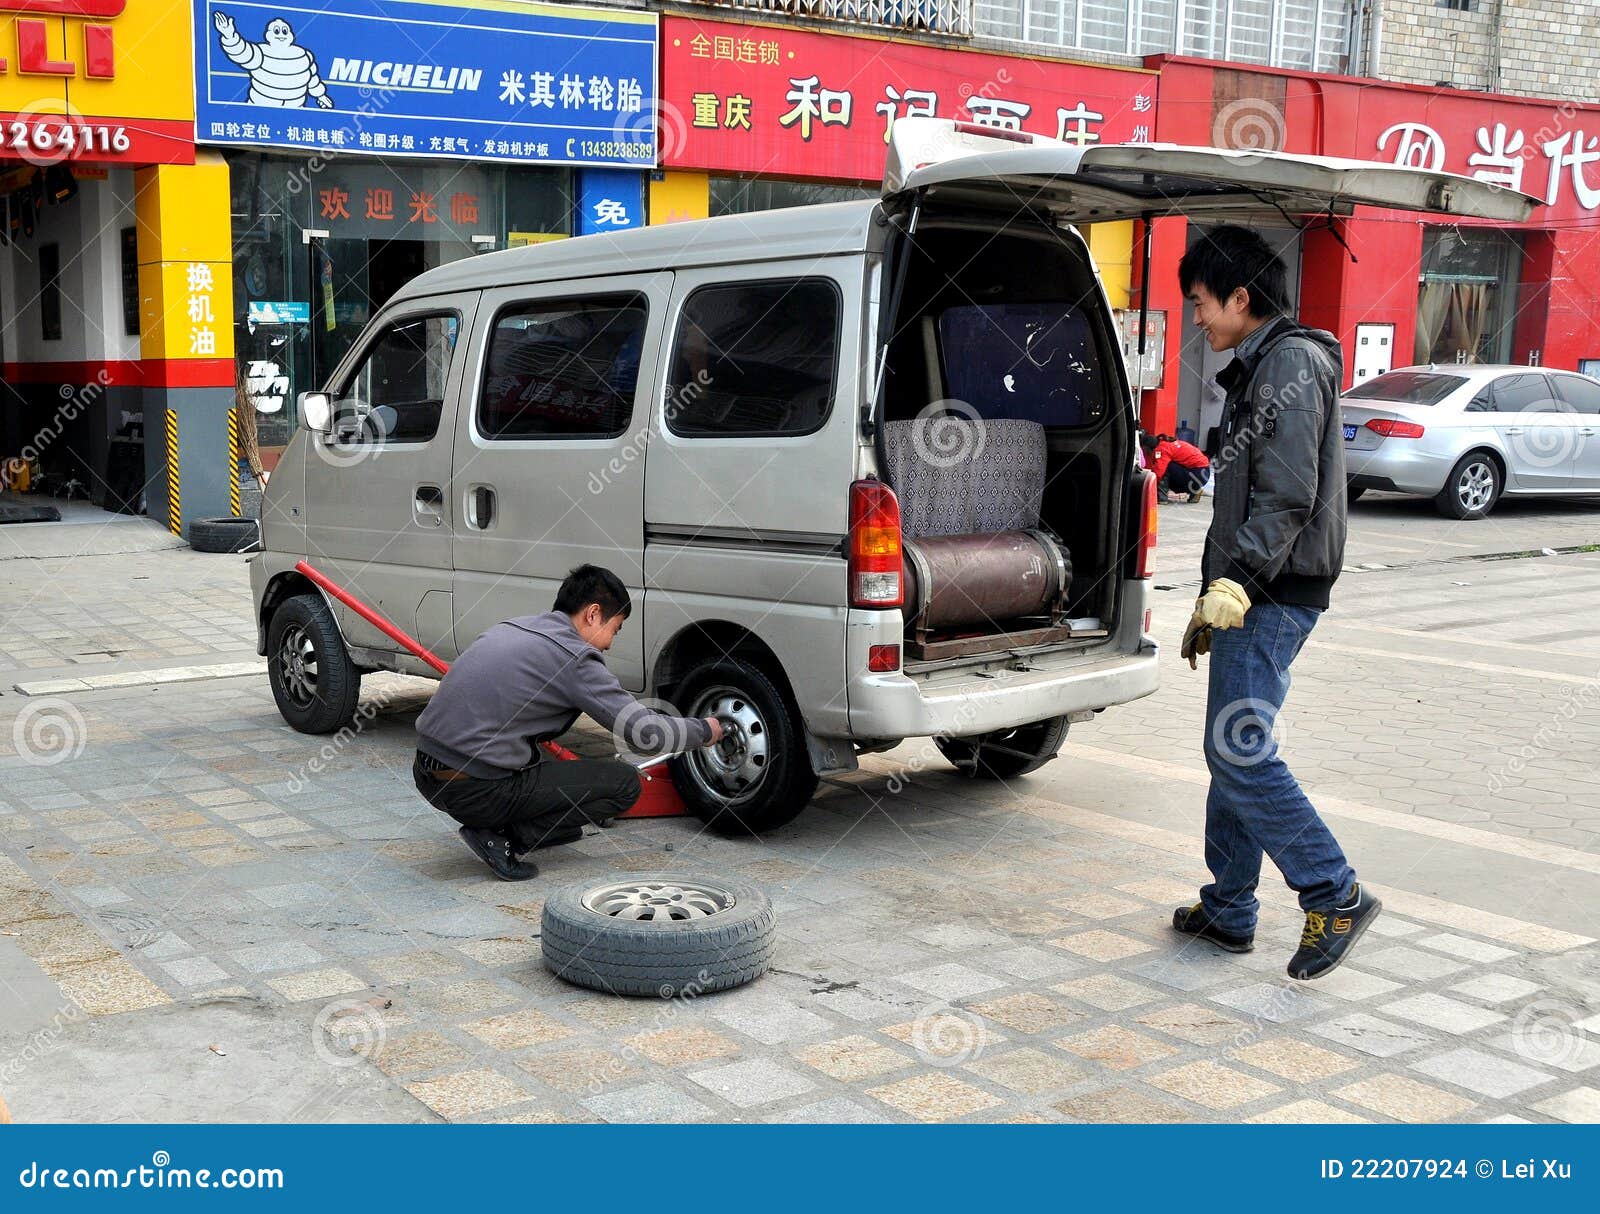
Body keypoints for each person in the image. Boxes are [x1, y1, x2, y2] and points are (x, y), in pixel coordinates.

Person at [1171, 225, 1380, 981]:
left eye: (1201, 303)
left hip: (1273, 590)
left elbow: (1287, 494)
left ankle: (1334, 891)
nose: (1197, 319)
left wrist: (1238, 582)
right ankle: (1228, 908)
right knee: (1235, 748)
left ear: (1240, 297)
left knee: (1236, 750)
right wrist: (1211, 594)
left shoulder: (1288, 363)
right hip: (1257, 586)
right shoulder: (1264, 363)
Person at [412, 565, 723, 881]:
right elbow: (647, 732)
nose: (609, 644)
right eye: (614, 629)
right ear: (592, 614)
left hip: (426, 773)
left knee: (551, 770)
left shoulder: (515, 627)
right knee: (624, 784)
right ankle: (505, 837)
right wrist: (705, 730)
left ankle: (520, 823)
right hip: (474, 789)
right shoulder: (573, 658)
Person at [1140, 430, 1212, 502]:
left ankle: (1162, 498)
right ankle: (1195, 489)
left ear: (1148, 448)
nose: (1144, 453)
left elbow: (1158, 473)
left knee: (1163, 469)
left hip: (1198, 473)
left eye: (1144, 450)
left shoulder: (1162, 449)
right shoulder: (1167, 443)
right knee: (1165, 467)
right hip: (1204, 473)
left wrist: (1145, 486)